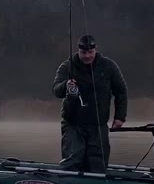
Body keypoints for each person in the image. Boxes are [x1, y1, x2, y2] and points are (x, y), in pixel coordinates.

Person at [51, 34, 127, 172]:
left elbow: (121, 91)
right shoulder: (67, 66)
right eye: (83, 52)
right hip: (73, 124)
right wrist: (66, 85)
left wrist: (120, 117)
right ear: (78, 51)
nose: (87, 56)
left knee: (98, 164)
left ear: (95, 49)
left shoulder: (109, 66)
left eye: (90, 52)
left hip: (98, 125)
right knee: (72, 162)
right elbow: (56, 90)